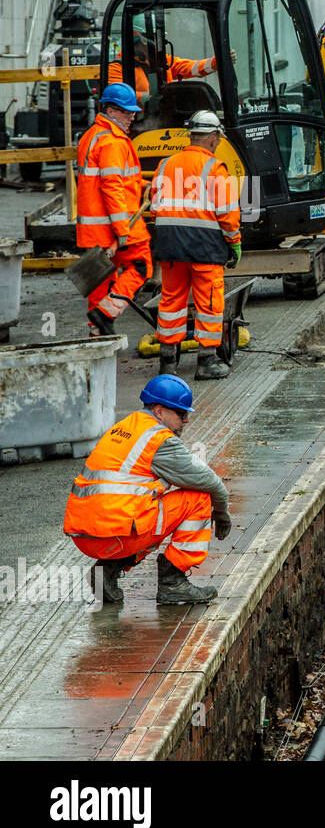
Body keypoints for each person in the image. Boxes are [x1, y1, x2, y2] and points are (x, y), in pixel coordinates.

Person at [63, 374, 231, 605]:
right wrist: (221, 511)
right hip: (114, 534)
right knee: (199, 498)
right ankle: (173, 583)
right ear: (160, 411)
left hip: (84, 534)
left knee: (145, 507)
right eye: (182, 414)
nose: (186, 421)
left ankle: (108, 570)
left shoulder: (124, 427)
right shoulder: (159, 440)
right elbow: (209, 482)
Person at [150, 110, 242, 380]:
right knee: (209, 302)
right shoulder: (214, 168)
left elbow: (155, 207)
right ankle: (207, 361)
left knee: (172, 300)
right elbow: (227, 213)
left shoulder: (166, 164)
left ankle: (167, 362)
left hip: (169, 246)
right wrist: (234, 242)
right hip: (204, 248)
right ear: (213, 138)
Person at [75, 82, 150, 337]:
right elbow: (112, 186)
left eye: (132, 111)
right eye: (126, 111)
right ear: (109, 110)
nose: (132, 116)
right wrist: (122, 230)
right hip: (115, 227)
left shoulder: (91, 136)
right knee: (141, 267)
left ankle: (97, 338)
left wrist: (144, 184)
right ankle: (105, 314)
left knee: (99, 282)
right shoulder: (112, 142)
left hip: (93, 230)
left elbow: (110, 180)